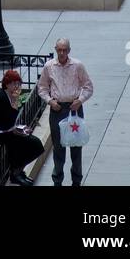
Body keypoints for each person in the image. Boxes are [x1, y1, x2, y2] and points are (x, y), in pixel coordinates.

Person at [37, 38, 94, 187]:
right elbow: (42, 88)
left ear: (69, 50)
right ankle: (58, 181)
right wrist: (50, 101)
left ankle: (76, 181)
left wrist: (80, 100)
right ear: (55, 49)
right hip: (57, 109)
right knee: (58, 148)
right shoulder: (49, 67)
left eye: (65, 50)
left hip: (74, 109)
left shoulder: (77, 66)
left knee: (76, 146)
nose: (62, 53)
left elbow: (88, 87)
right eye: (59, 50)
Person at [0, 69, 44, 186]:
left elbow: (12, 121)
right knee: (28, 143)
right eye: (13, 83)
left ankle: (18, 171)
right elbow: (7, 121)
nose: (16, 86)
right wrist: (16, 131)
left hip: (9, 130)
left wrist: (21, 129)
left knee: (36, 144)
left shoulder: (11, 95)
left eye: (18, 83)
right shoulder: (0, 97)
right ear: (7, 84)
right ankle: (15, 173)